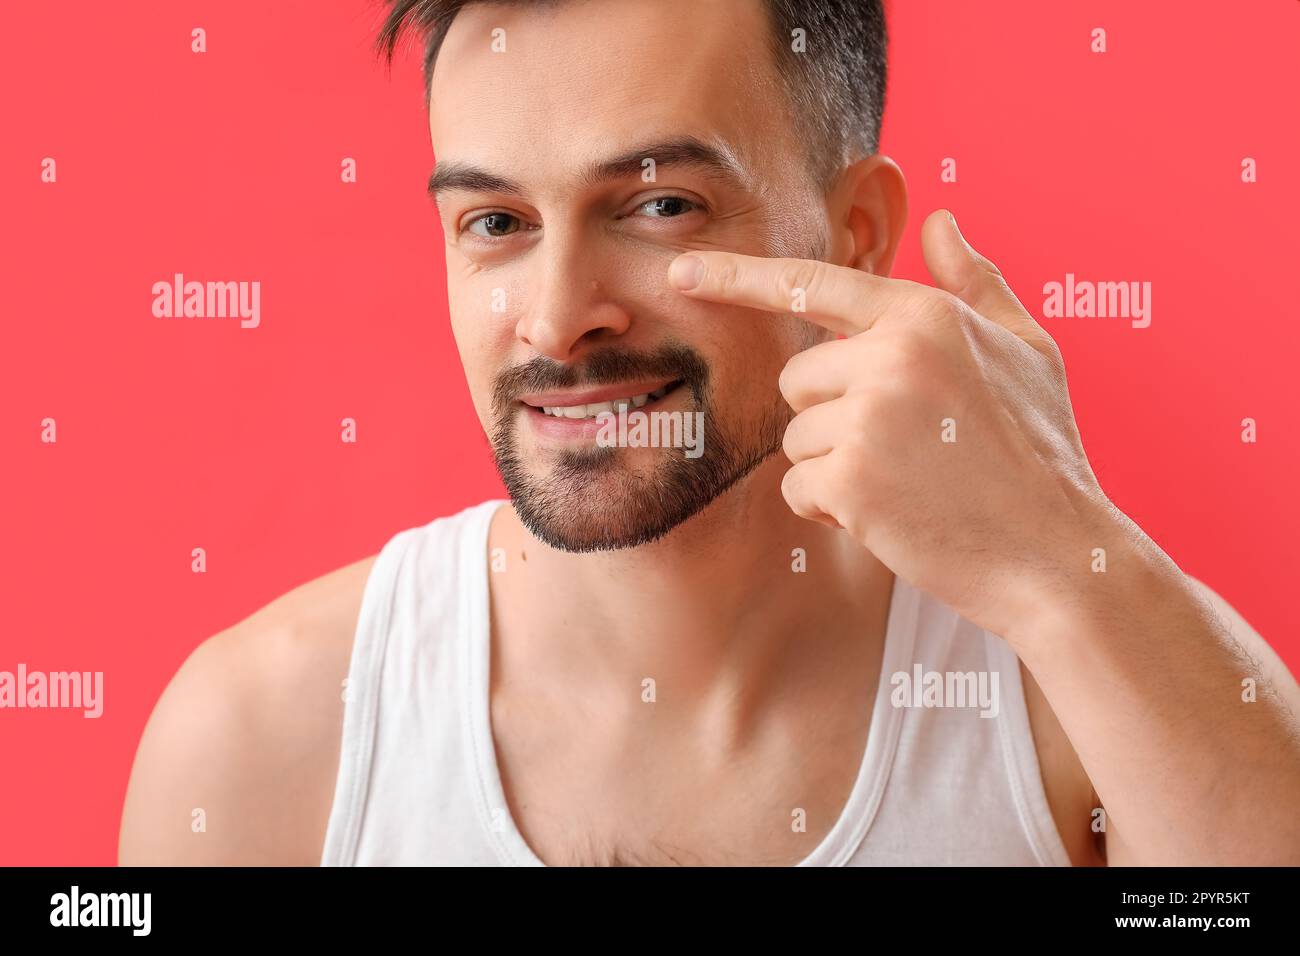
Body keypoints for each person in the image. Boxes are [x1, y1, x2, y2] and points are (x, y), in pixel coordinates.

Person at [119, 0, 1300, 866]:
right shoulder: (264, 743)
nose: (555, 313)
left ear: (849, 232)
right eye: (495, 221)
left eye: (656, 204)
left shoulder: (1065, 703)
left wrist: (1059, 543)